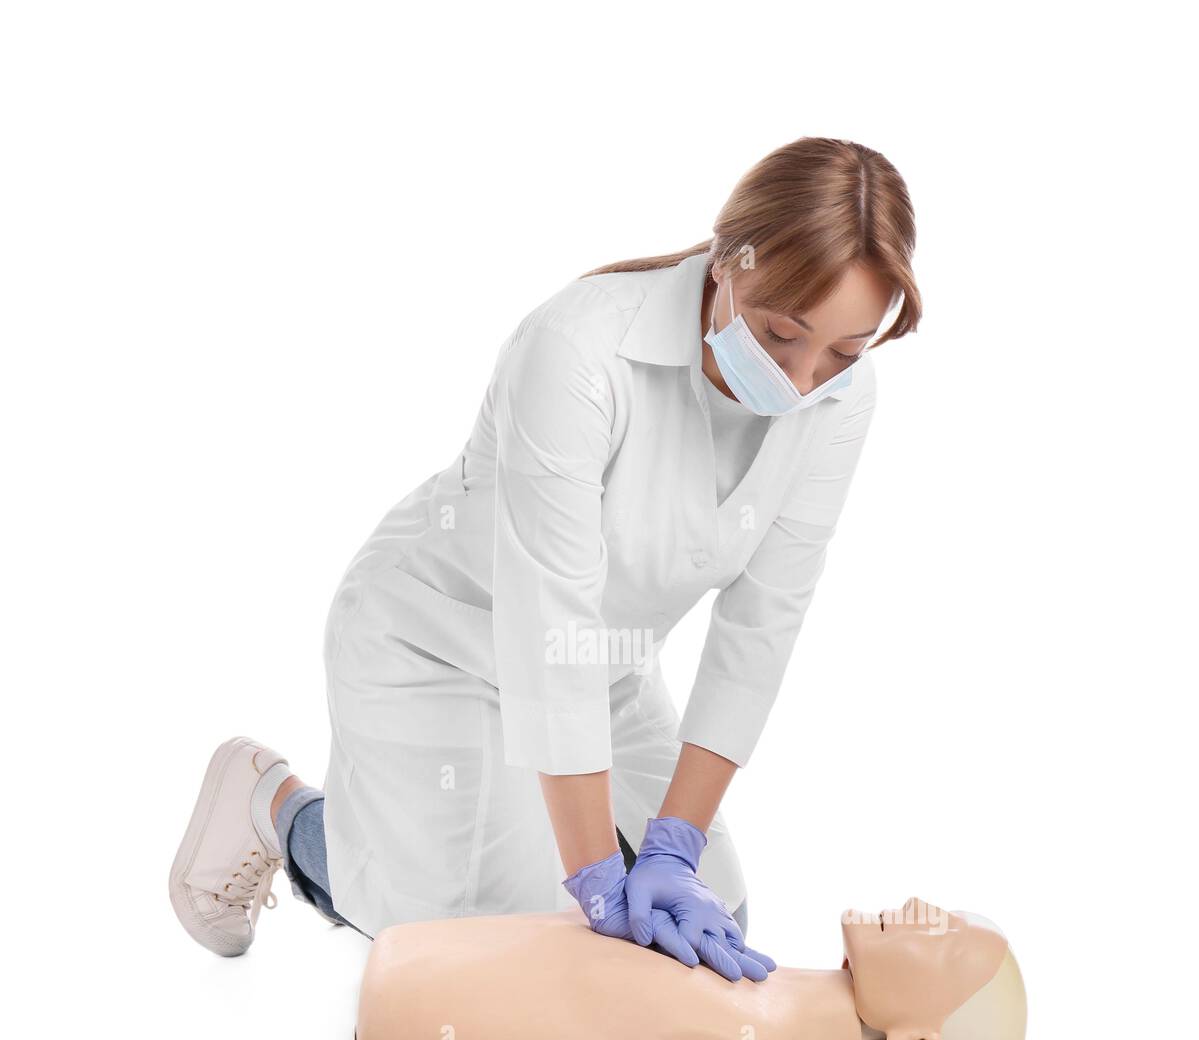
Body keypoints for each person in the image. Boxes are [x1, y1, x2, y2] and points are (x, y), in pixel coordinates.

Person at [168, 136, 921, 982]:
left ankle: (549, 872)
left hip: (603, 663)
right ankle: (277, 805)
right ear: (726, 263)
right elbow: (545, 620)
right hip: (436, 641)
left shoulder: (839, 401)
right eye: (783, 334)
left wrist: (672, 848)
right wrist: (597, 885)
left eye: (842, 353)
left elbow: (763, 623)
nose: (799, 379)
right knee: (480, 949)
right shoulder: (576, 349)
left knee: (714, 923)